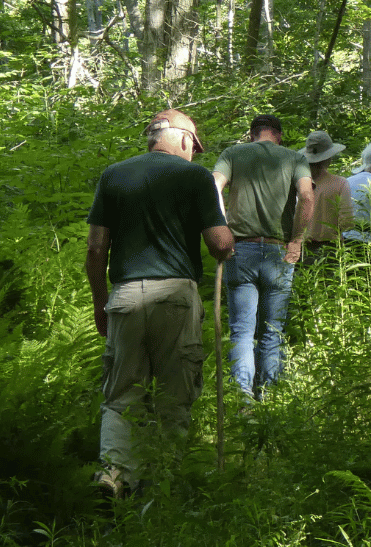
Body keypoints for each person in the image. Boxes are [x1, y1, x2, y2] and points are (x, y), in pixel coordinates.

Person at [85, 108, 234, 497]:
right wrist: (228, 241)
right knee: (175, 393)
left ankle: (115, 476)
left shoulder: (113, 175)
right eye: (195, 146)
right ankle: (163, 481)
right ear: (184, 139)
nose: (195, 153)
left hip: (125, 297)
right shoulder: (196, 177)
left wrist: (101, 304)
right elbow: (219, 243)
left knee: (121, 396)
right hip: (176, 299)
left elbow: (96, 248)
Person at [213, 113, 314, 400]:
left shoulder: (233, 154)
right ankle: (269, 395)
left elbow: (213, 185)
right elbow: (306, 197)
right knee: (273, 329)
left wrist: (222, 228)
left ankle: (243, 399)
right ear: (278, 135)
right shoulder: (295, 158)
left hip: (239, 249)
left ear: (251, 134)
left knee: (242, 331)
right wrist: (296, 240)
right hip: (278, 251)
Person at [302, 130, 353, 255]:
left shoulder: (297, 183)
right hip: (331, 250)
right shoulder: (340, 183)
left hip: (302, 250)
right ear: (328, 158)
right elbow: (347, 222)